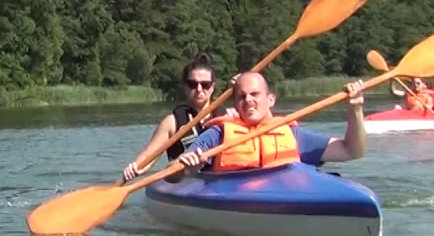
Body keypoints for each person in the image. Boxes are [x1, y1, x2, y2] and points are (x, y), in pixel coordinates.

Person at [176, 72, 367, 173]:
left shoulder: (291, 134)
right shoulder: (218, 134)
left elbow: (352, 151)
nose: (248, 100)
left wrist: (356, 110)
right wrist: (188, 167)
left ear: (271, 100)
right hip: (233, 198)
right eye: (242, 96)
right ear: (236, 103)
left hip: (282, 198)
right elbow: (174, 173)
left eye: (255, 94)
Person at [122, 54, 235, 182]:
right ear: (185, 86)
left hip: (221, 179)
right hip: (183, 180)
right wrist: (134, 168)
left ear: (213, 87)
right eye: (193, 84)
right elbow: (148, 156)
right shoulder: (172, 122)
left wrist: (242, 86)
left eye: (205, 84)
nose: (199, 89)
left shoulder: (229, 116)